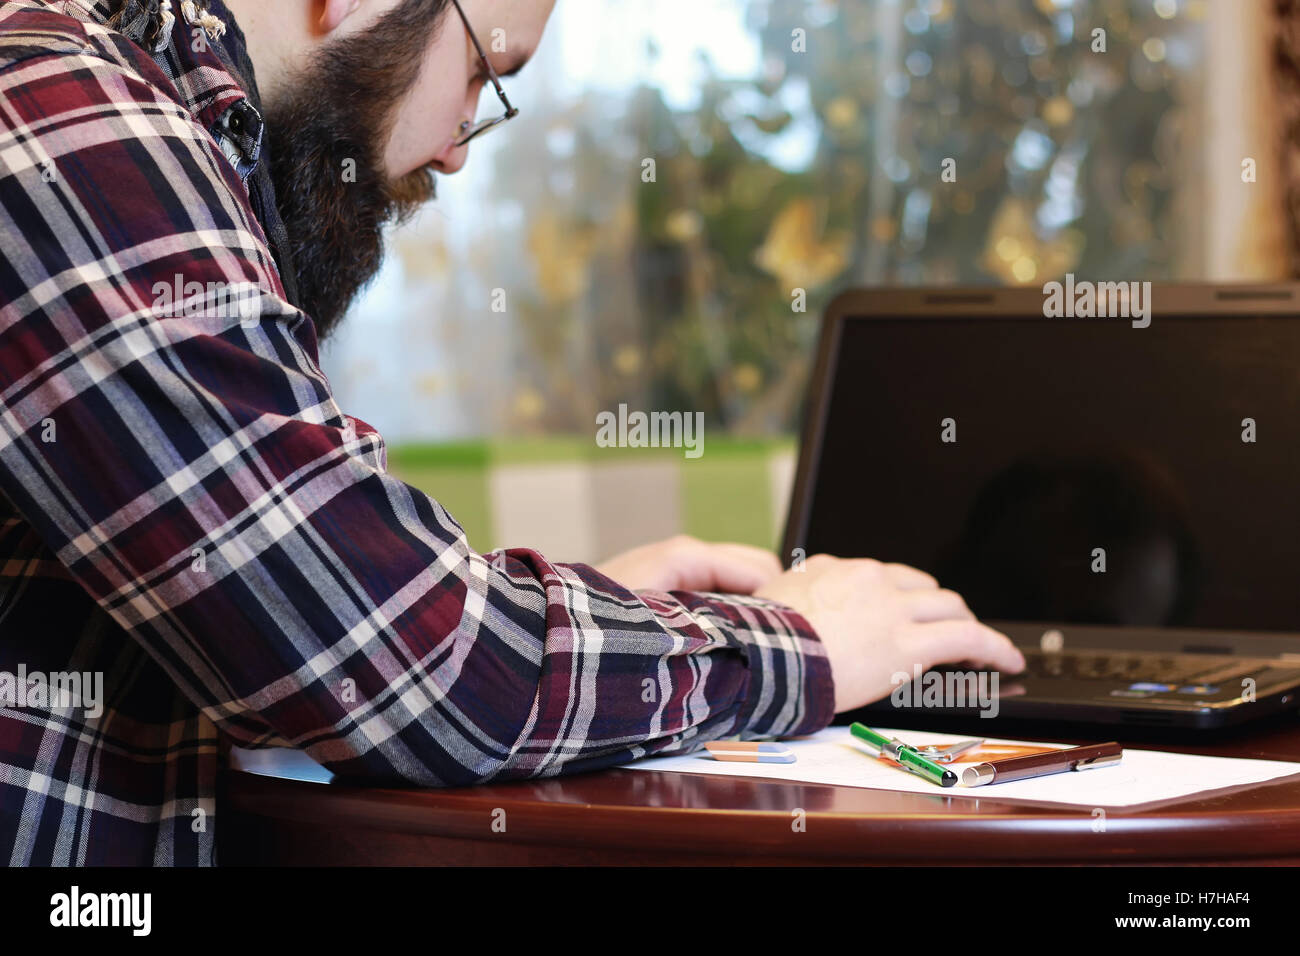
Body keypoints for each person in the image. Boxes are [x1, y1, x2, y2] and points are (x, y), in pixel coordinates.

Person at [0, 0, 1024, 865]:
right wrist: (799, 646)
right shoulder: (63, 127)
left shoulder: (137, 133)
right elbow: (410, 669)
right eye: (486, 70)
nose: (456, 145)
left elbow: (300, 639)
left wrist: (587, 627)